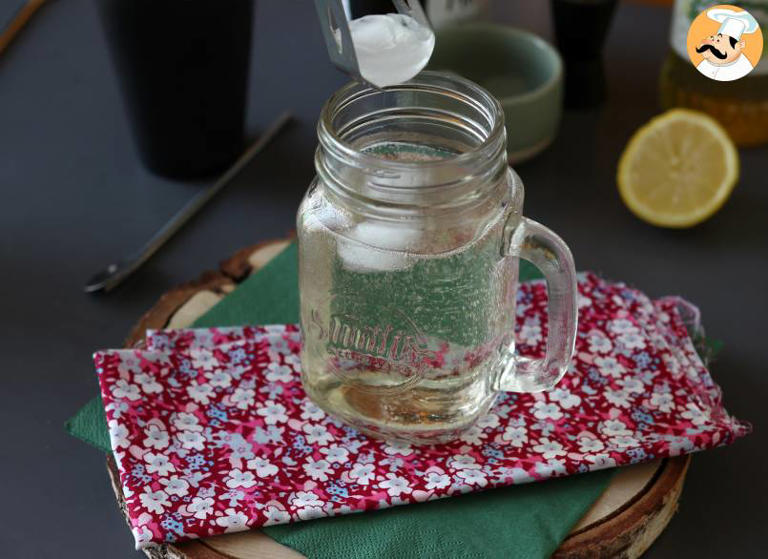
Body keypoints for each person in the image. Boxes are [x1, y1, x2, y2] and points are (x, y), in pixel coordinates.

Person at [695, 8, 759, 82]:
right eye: (713, 37)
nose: (711, 41)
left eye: (718, 41)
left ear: (738, 46)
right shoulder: (705, 63)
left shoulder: (743, 68)